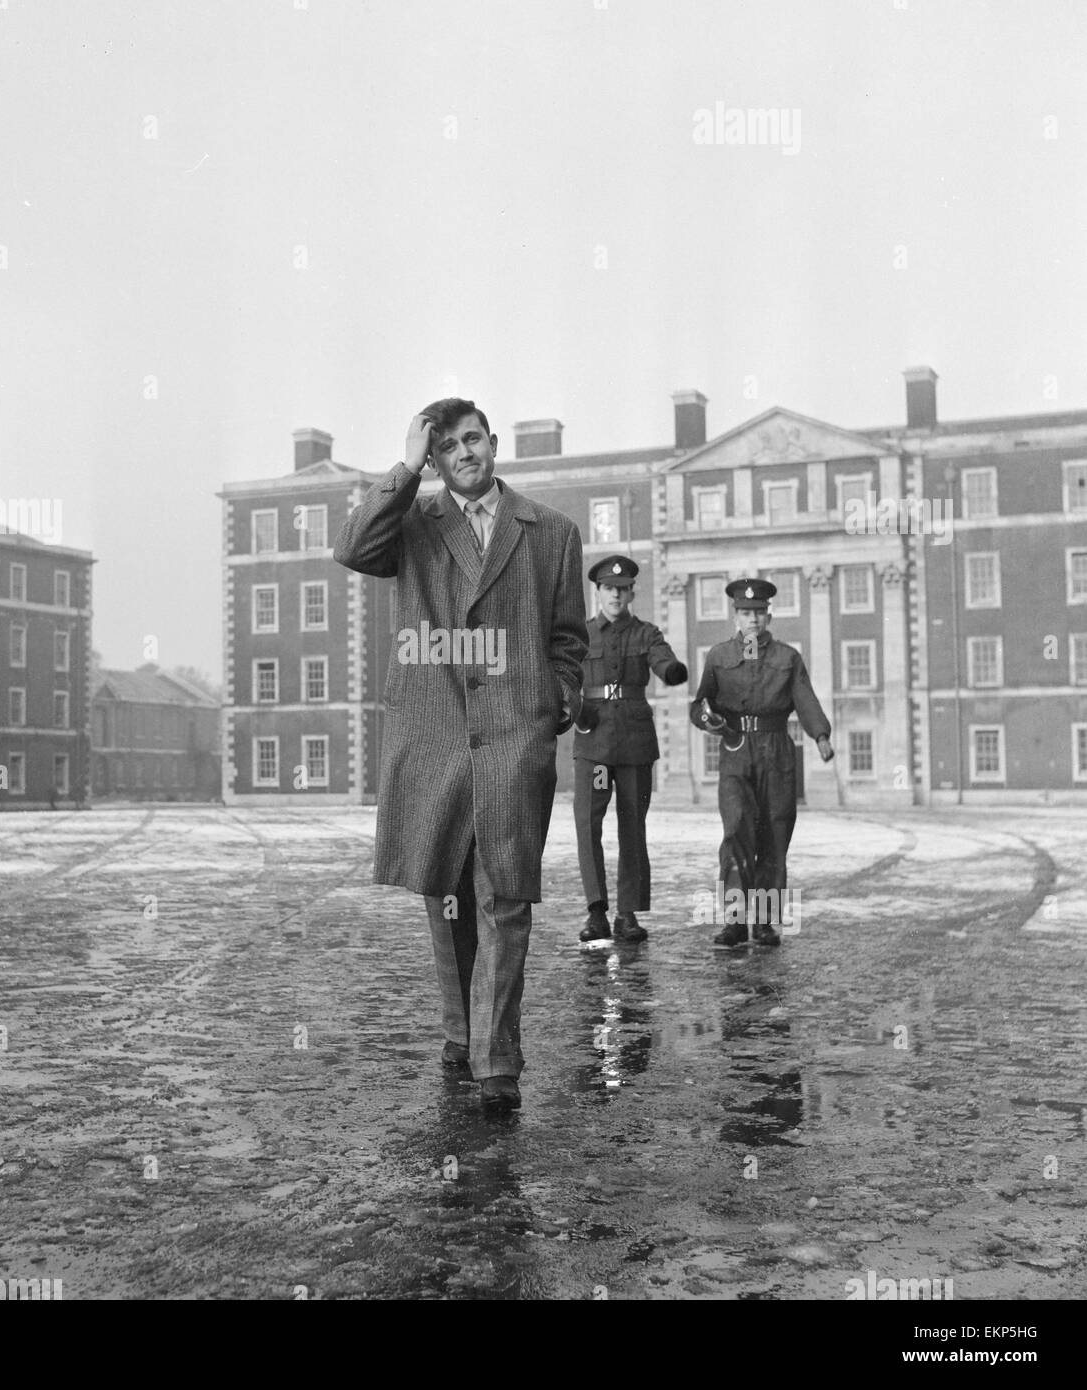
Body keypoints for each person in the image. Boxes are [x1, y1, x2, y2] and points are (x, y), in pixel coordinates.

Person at [334, 398, 587, 1112]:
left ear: (494, 443)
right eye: (446, 447)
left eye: (472, 438)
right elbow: (352, 548)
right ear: (435, 460)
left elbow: (570, 636)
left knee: (505, 894)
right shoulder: (412, 526)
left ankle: (497, 1057)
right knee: (443, 892)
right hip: (435, 730)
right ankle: (461, 1031)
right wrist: (405, 466)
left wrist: (556, 699)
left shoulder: (552, 533)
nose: (464, 453)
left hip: (514, 734)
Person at [689, 577, 834, 948]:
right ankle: (736, 921)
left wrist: (820, 736)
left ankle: (765, 922)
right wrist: (709, 721)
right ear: (735, 616)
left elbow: (805, 698)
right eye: (745, 613)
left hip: (776, 750)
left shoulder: (787, 658)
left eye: (758, 614)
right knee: (737, 829)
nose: (752, 620)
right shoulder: (719, 656)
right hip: (736, 749)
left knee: (774, 834)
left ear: (768, 616)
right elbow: (699, 704)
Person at [573, 555, 688, 944]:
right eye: (609, 588)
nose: (616, 595)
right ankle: (595, 911)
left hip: (635, 743)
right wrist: (571, 709)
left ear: (631, 592)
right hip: (594, 740)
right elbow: (563, 676)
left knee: (632, 827)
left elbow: (663, 660)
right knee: (588, 825)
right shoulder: (582, 634)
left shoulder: (647, 633)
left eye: (622, 589)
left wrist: (672, 671)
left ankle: (627, 914)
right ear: (599, 592)